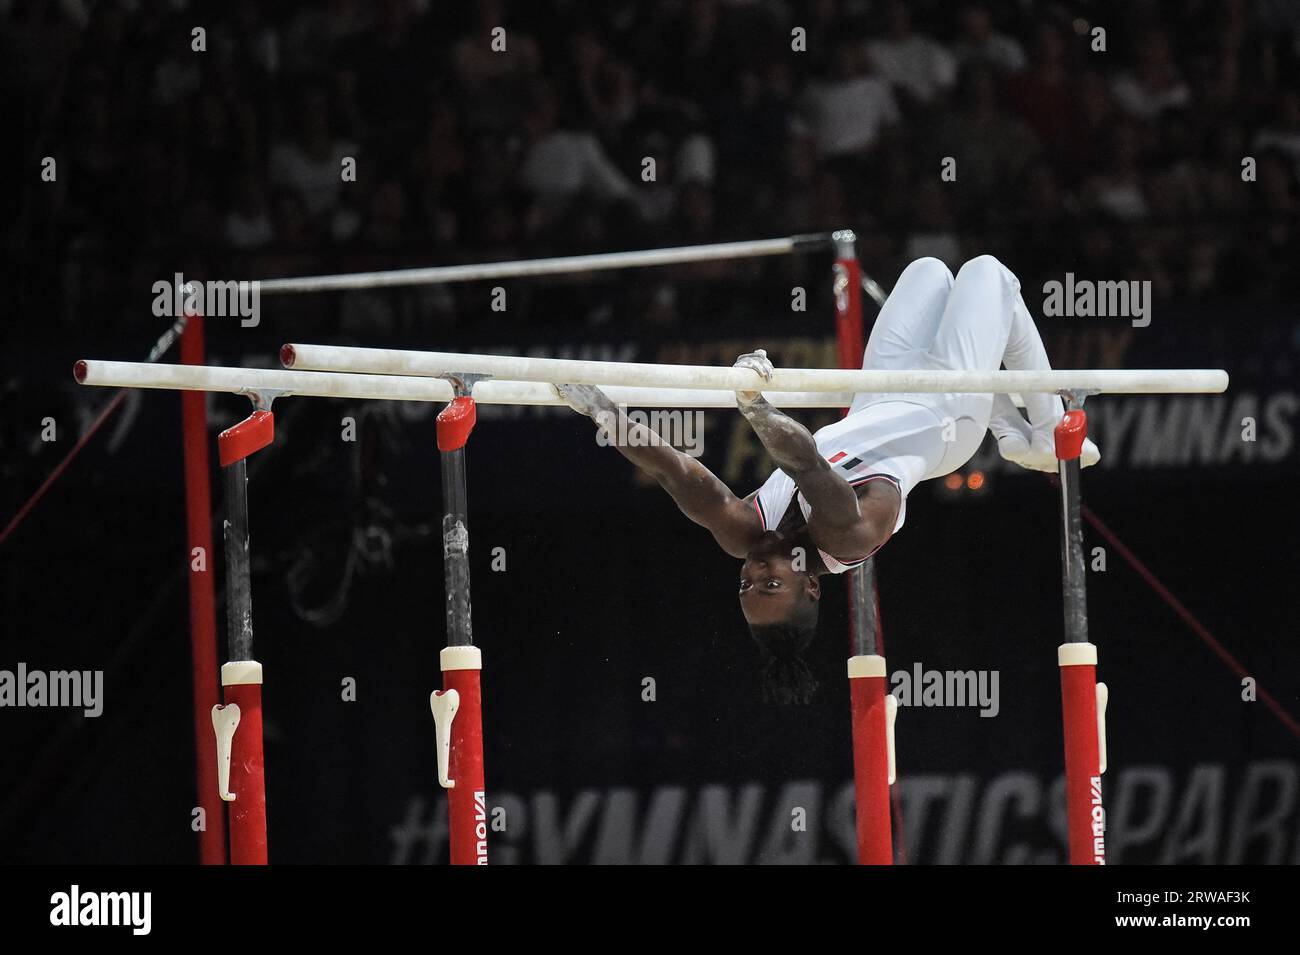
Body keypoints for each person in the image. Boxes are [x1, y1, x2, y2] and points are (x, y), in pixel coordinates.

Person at [557, 255, 1099, 704]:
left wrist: (606, 415)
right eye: (771, 583)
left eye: (746, 584)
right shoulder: (848, 537)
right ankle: (1050, 432)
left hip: (878, 396)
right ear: (811, 585)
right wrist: (755, 406)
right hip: (945, 417)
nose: (756, 570)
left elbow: (674, 472)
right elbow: (808, 465)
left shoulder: (746, 533)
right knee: (992, 275)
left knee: (930, 272)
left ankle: (1011, 429)